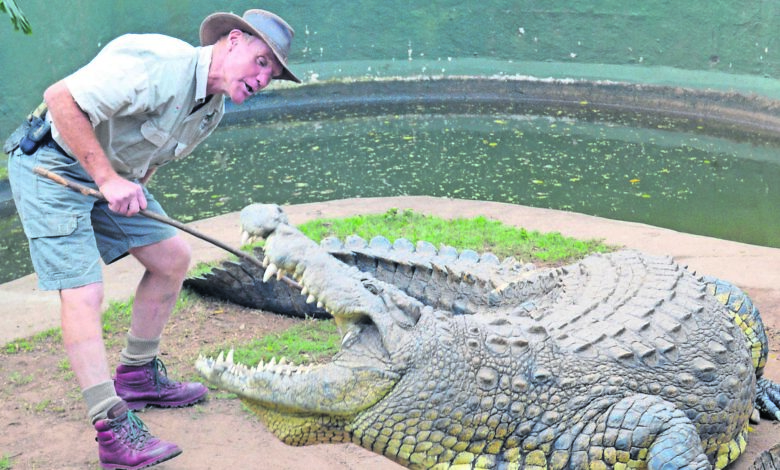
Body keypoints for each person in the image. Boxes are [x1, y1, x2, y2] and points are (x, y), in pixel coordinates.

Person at [4, 9, 300, 470]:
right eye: (262, 61)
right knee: (84, 291)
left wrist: (127, 185)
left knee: (172, 256)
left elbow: (150, 156)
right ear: (234, 40)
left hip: (111, 176)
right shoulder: (160, 64)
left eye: (273, 74)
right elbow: (60, 99)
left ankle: (138, 375)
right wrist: (106, 180)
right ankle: (111, 427)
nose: (264, 78)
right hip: (53, 166)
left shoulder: (212, 109)